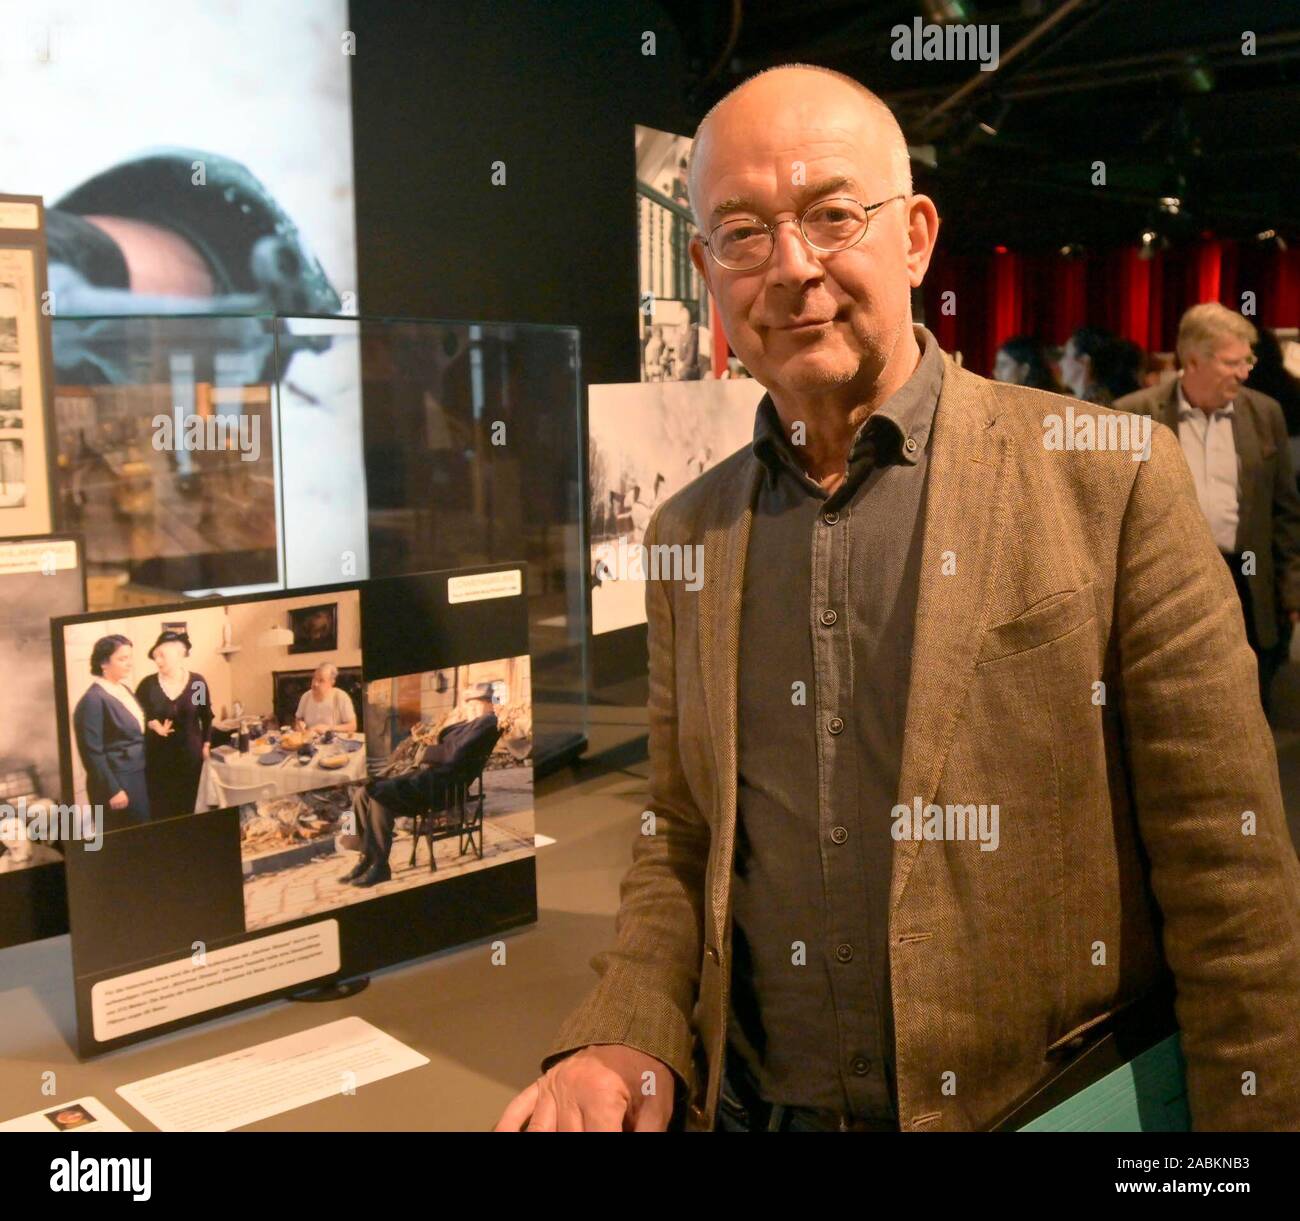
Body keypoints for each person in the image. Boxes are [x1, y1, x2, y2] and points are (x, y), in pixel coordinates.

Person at [498, 64, 1300, 1134]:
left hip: (1041, 1105)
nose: (791, 269)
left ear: (914, 235)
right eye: (740, 233)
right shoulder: (689, 532)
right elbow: (683, 833)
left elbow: (1229, 877)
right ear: (703, 267)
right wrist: (623, 1028)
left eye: (832, 215)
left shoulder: (1107, 479)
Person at [1115, 302, 1300, 715]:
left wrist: (1292, 592)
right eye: (1233, 362)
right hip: (1167, 583)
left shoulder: (1264, 413)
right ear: (1193, 360)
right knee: (1175, 705)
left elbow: (1285, 513)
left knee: (1251, 708)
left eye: (1247, 360)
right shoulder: (1134, 413)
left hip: (1246, 581)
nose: (1244, 372)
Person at [342, 686, 502, 888]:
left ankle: (380, 865)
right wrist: (436, 749)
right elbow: (450, 747)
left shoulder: (487, 722)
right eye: (469, 704)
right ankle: (364, 855)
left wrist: (428, 753)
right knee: (361, 793)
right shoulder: (472, 722)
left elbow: (455, 754)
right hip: (430, 778)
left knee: (378, 796)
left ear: (489, 704)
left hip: (443, 786)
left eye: (476, 704)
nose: (471, 708)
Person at [72, 635, 150, 827]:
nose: (129, 664)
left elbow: (131, 729)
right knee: (125, 840)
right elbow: (91, 752)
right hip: (116, 781)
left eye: (130, 658)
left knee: (142, 831)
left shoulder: (123, 689)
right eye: (122, 659)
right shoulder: (93, 700)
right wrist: (113, 790)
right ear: (104, 663)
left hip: (135, 774)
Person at [135, 630, 214, 819]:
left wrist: (206, 744)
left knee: (190, 807)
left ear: (179, 655)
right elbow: (138, 717)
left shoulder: (196, 684)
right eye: (155, 657)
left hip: (190, 759)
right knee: (162, 809)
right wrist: (153, 725)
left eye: (162, 655)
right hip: (158, 761)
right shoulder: (148, 685)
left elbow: (206, 716)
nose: (158, 661)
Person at [1057, 326, 1120, 404]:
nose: (1060, 363)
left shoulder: (1094, 403)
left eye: (1065, 355)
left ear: (1084, 361)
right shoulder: (1097, 397)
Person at [294, 663, 357, 733]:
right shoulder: (305, 696)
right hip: (309, 740)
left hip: (334, 742)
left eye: (321, 680)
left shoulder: (341, 697)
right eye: (314, 678)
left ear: (332, 682)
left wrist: (329, 728)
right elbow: (298, 719)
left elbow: (352, 726)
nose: (315, 684)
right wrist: (299, 725)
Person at [992, 335, 1063, 392]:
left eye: (1003, 365)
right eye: (997, 365)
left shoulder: (1051, 402)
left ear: (1024, 369)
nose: (996, 371)